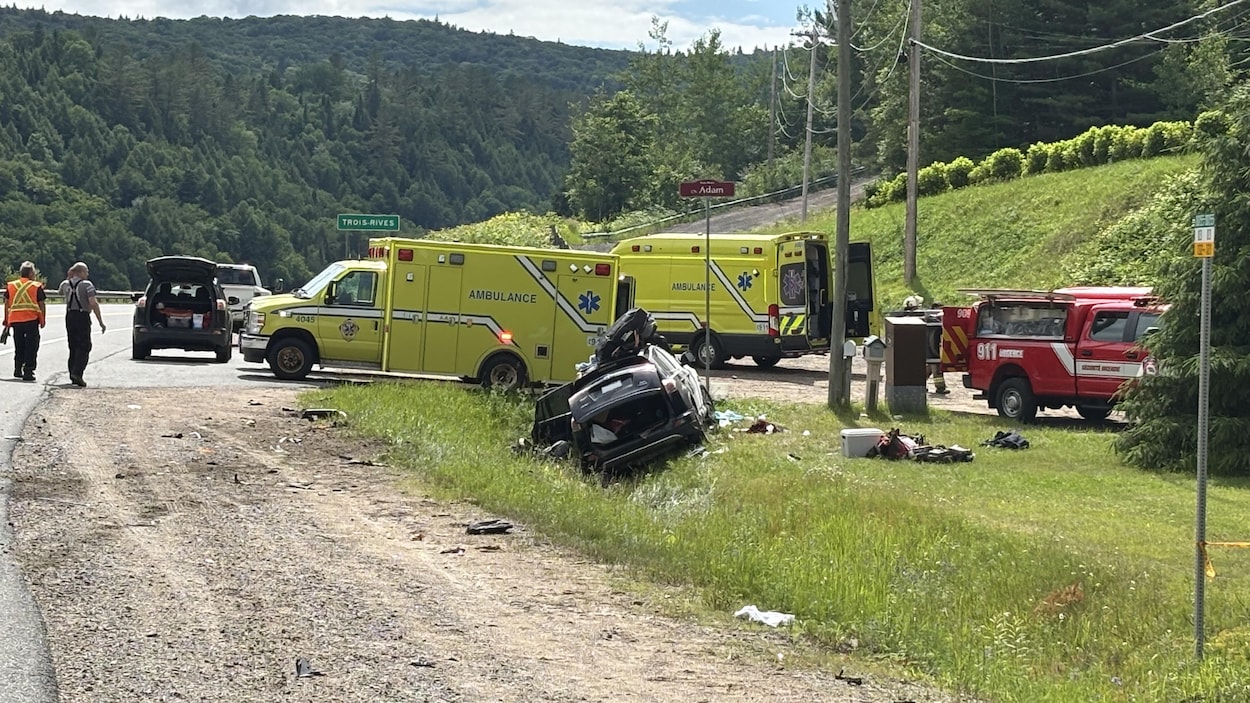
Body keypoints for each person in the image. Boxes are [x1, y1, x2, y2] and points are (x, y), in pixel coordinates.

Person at [59, 262, 107, 387]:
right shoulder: (87, 285)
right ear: (80, 272)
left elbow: (60, 293)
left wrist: (69, 278)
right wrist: (100, 321)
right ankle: (77, 373)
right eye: (86, 271)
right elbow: (93, 303)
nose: (87, 274)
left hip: (69, 316)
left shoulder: (65, 284)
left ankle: (72, 373)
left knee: (73, 345)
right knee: (85, 346)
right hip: (82, 316)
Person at [3, 261, 47, 381]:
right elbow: (41, 304)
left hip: (16, 319)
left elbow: (6, 304)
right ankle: (28, 370)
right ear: (31, 273)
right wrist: (43, 320)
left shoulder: (12, 285)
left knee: (19, 345)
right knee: (32, 345)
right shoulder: (36, 286)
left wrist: (6, 320)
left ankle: (17, 369)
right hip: (31, 319)